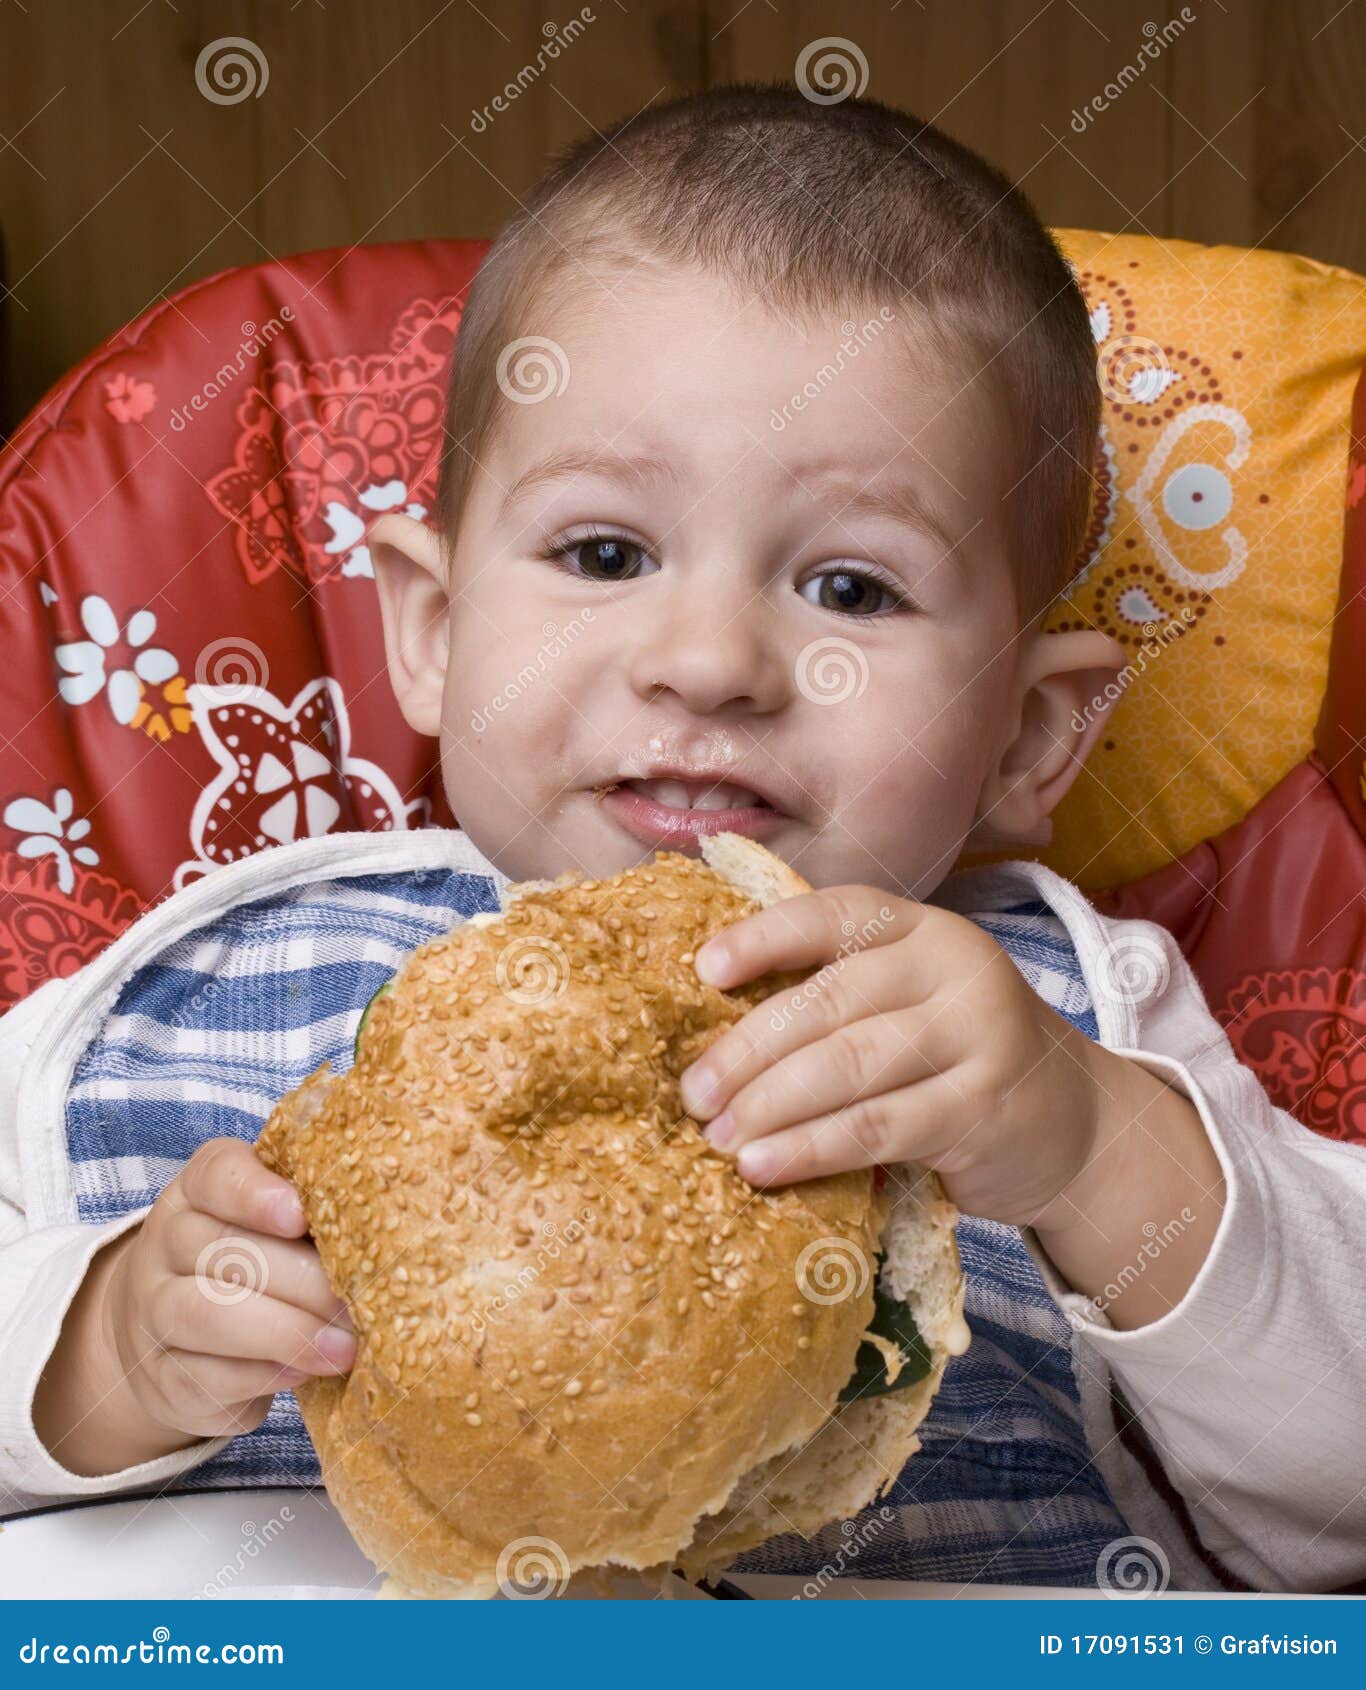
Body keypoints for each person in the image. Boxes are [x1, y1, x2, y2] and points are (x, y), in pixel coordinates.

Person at [5, 85, 1364, 1594]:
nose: (709, 659)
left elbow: (1342, 1493)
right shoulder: (195, 972)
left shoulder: (1070, 1023)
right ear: (438, 633)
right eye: (605, 553)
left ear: (1029, 736)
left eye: (852, 589)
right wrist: (96, 1354)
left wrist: (1096, 1149)